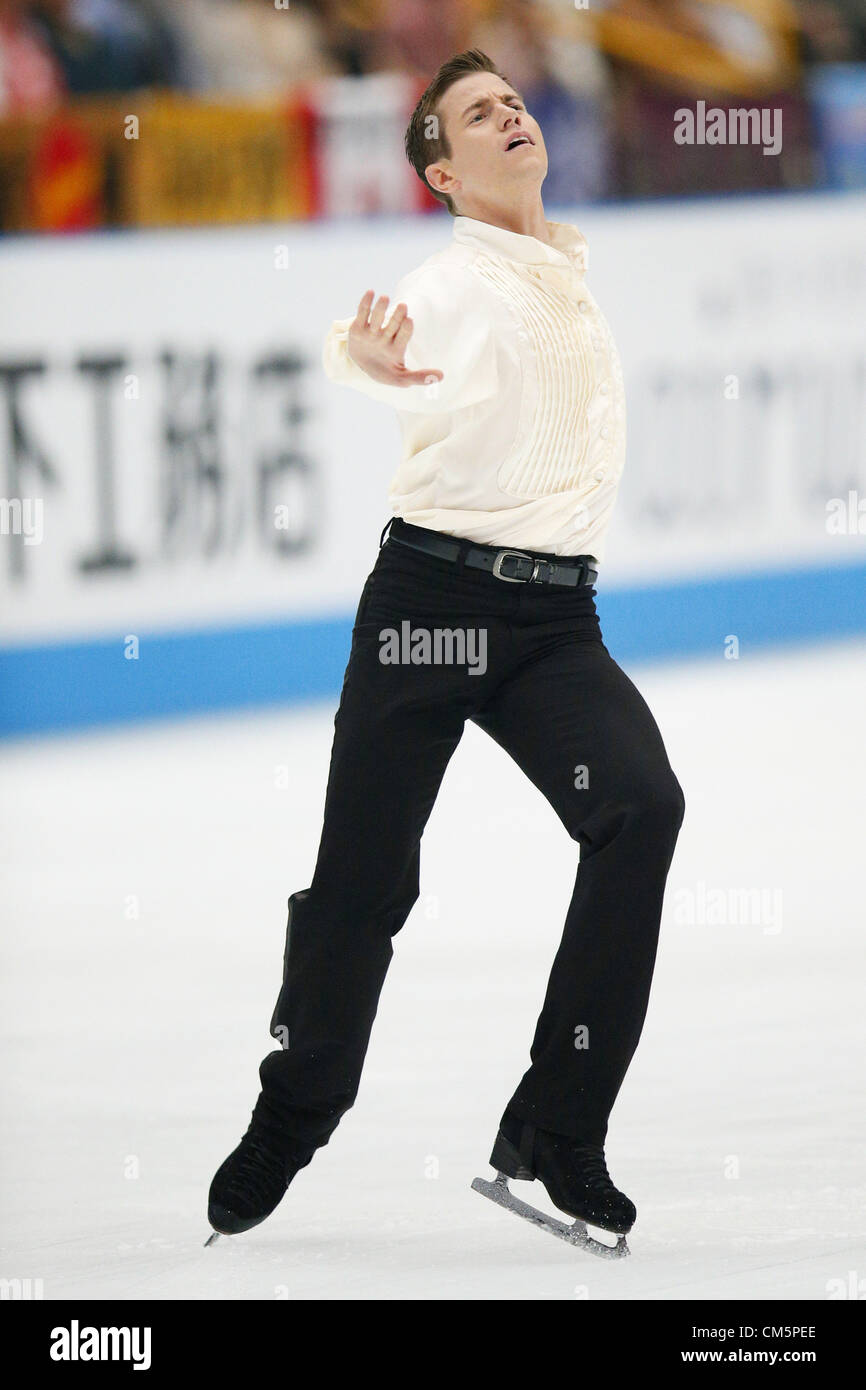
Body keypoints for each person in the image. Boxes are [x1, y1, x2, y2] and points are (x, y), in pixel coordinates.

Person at [207, 47, 685, 1251]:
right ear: (440, 169)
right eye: (478, 114)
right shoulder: (454, 278)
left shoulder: (564, 271)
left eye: (514, 102)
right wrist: (360, 358)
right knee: (366, 880)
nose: (509, 116)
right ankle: (296, 1107)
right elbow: (373, 338)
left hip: (551, 626)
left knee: (638, 804)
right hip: (430, 607)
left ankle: (556, 1132)